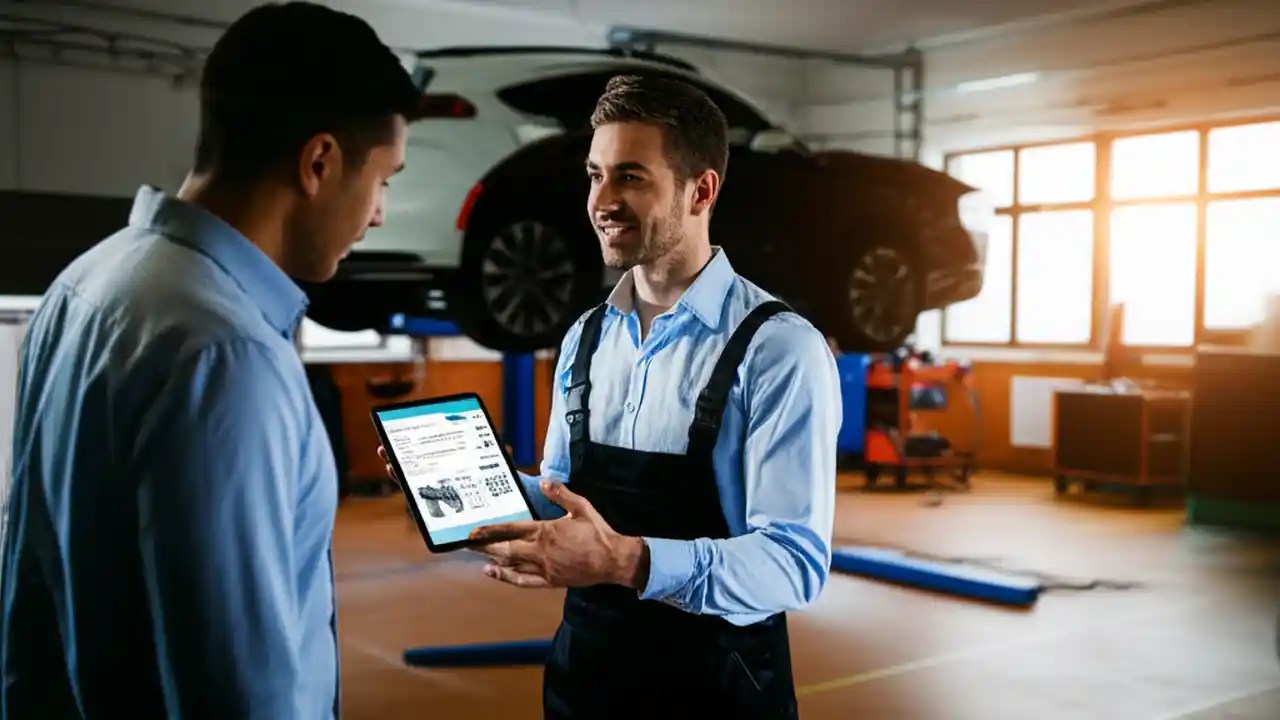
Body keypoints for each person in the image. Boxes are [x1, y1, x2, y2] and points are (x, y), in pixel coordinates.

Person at [0, 3, 419, 717]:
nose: (378, 213)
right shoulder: (225, 355)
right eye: (383, 180)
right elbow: (234, 683)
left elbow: (28, 591)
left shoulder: (87, 281)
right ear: (319, 162)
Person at [468, 74, 839, 719]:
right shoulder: (586, 337)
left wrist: (624, 562)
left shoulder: (779, 349)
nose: (602, 200)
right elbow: (566, 495)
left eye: (631, 177)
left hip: (717, 693)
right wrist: (477, 488)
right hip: (583, 684)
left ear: (702, 190)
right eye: (595, 175)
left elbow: (792, 563)